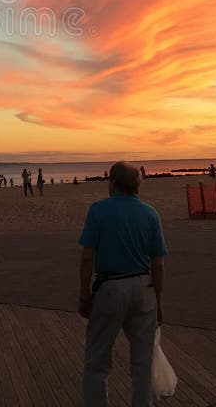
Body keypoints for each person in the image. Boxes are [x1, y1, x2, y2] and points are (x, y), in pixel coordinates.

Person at [78, 161, 167, 407]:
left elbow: (87, 256)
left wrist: (84, 294)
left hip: (110, 287)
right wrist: (158, 300)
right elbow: (158, 263)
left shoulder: (98, 211)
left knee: (97, 360)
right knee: (142, 362)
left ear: (113, 183)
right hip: (143, 286)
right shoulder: (150, 214)